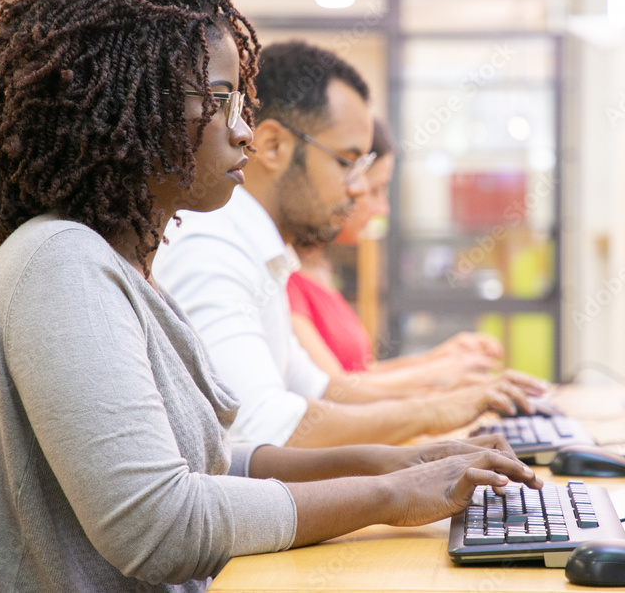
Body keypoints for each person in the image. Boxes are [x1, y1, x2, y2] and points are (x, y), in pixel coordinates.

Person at [0, 0, 539, 591]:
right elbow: (160, 526)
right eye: (222, 102)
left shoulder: (117, 266)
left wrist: (401, 462)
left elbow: (212, 464)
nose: (244, 130)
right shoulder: (62, 265)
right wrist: (387, 495)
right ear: (132, 106)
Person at [154, 40, 546, 448]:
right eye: (347, 161)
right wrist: (434, 411)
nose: (358, 189)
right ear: (273, 146)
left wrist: (447, 394)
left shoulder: (259, 253)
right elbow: (260, 427)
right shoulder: (211, 246)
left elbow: (322, 391)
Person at [287, 118, 529, 397]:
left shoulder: (319, 271)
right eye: (375, 190)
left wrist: (441, 359)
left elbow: (359, 377)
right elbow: (337, 392)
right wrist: (438, 378)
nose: (382, 208)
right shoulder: (286, 279)